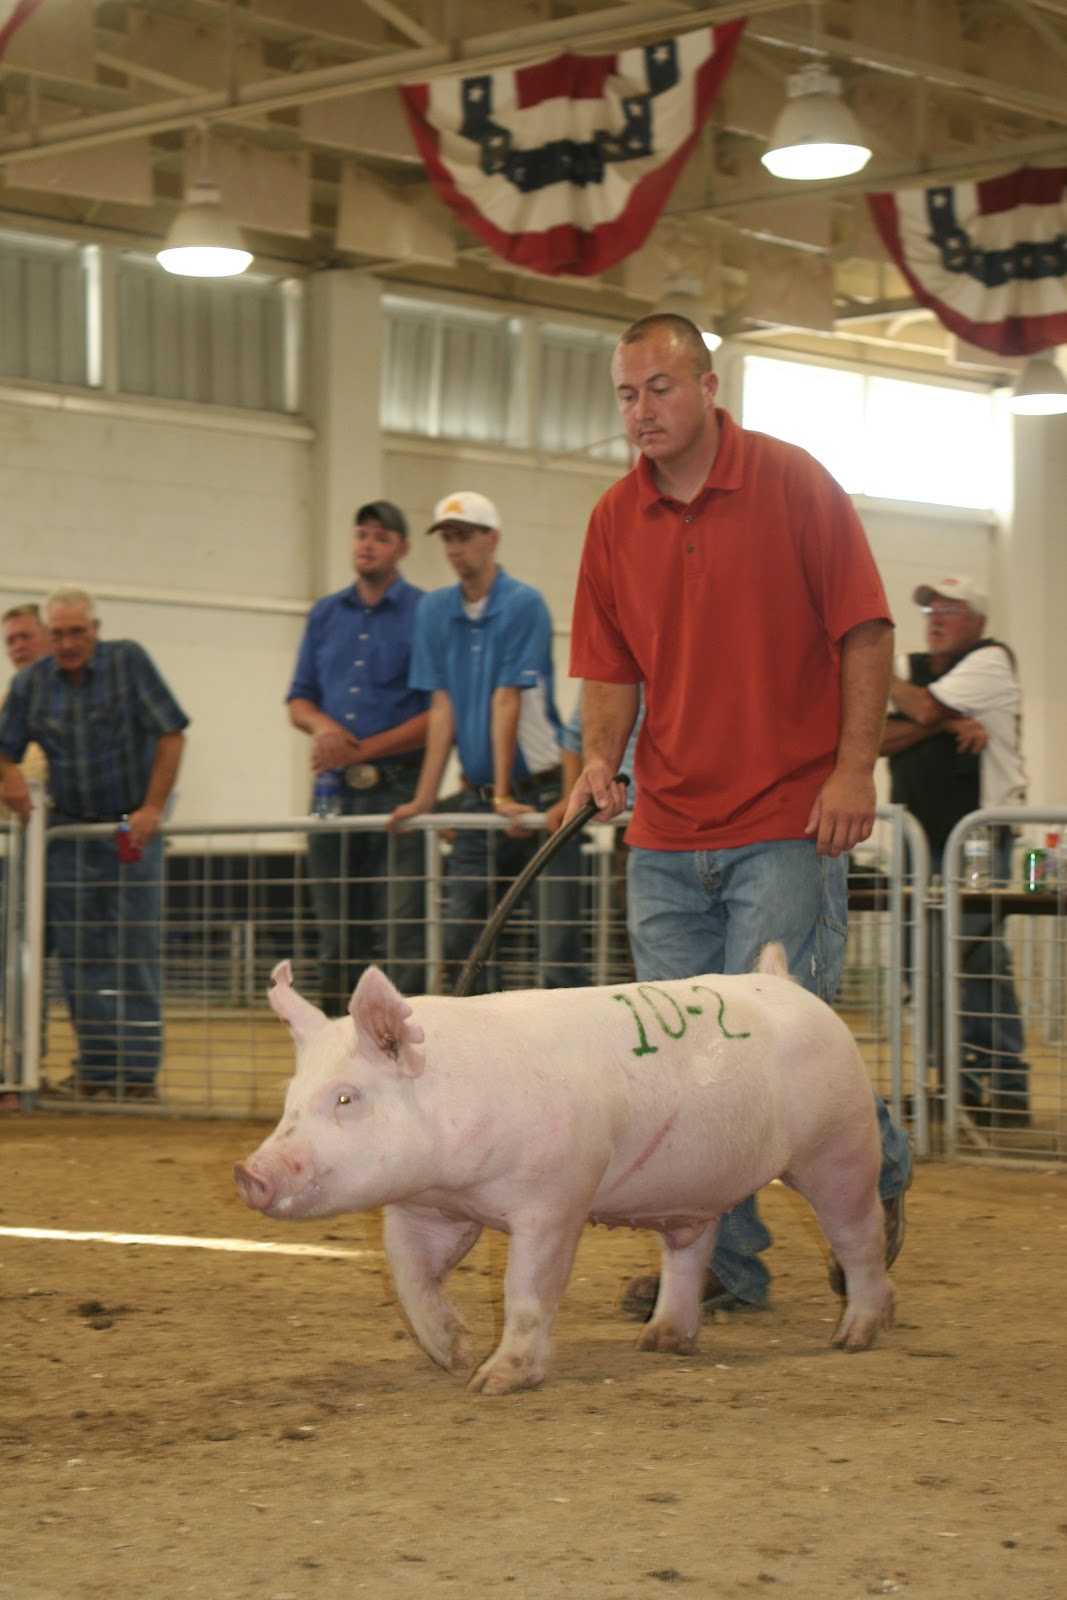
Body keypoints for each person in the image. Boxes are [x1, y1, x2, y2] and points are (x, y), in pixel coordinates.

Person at [563, 313, 913, 1317]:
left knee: (774, 1052)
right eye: (626, 394)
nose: (640, 411)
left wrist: (851, 772)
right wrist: (598, 761)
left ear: (709, 387)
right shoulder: (609, 520)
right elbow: (608, 666)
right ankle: (728, 1265)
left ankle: (873, 1164)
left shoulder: (793, 483)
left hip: (787, 821)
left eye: (659, 389)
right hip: (664, 832)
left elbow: (863, 629)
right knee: (684, 1065)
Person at [0, 586, 188, 1100]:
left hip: (132, 831)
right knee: (82, 956)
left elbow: (172, 731)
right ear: (49, 633)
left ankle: (138, 1076)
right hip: (70, 835)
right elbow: (3, 745)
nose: (67, 642)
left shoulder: (128, 662)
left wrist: (152, 808)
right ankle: (99, 1071)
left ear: (95, 630)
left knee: (136, 951)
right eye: (57, 633)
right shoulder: (33, 684)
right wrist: (10, 778)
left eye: (76, 631)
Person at [390, 490, 574, 991]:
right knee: (463, 941)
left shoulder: (523, 604)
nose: (455, 549)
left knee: (556, 946)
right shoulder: (434, 611)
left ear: (491, 540)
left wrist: (505, 796)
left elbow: (506, 700)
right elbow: (442, 708)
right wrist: (425, 798)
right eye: (448, 538)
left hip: (540, 792)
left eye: (465, 537)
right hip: (481, 796)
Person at [883, 574, 1029, 1125]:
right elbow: (874, 739)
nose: (937, 617)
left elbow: (915, 713)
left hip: (978, 838)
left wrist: (915, 707)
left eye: (951, 608)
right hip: (916, 840)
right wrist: (946, 721)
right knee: (919, 961)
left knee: (977, 957)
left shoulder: (991, 660)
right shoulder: (905, 667)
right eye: (930, 609)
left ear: (978, 622)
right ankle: (953, 1085)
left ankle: (1007, 1086)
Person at [287, 501, 430, 1009]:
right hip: (332, 792)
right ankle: (334, 1053)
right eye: (362, 534)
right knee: (336, 933)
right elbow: (298, 699)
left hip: (399, 787)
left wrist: (361, 750)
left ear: (403, 549)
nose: (368, 544)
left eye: (382, 537)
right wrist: (324, 728)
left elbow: (439, 714)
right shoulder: (326, 613)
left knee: (402, 933)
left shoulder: (426, 613)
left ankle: (408, 1053)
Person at [1, 604, 52, 1112]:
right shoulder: (6, 704)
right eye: (10, 640)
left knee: (84, 964)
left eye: (24, 637)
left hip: (57, 852)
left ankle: (32, 1074)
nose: (17, 647)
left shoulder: (67, 699)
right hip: (13, 857)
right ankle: (15, 1076)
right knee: (13, 970)